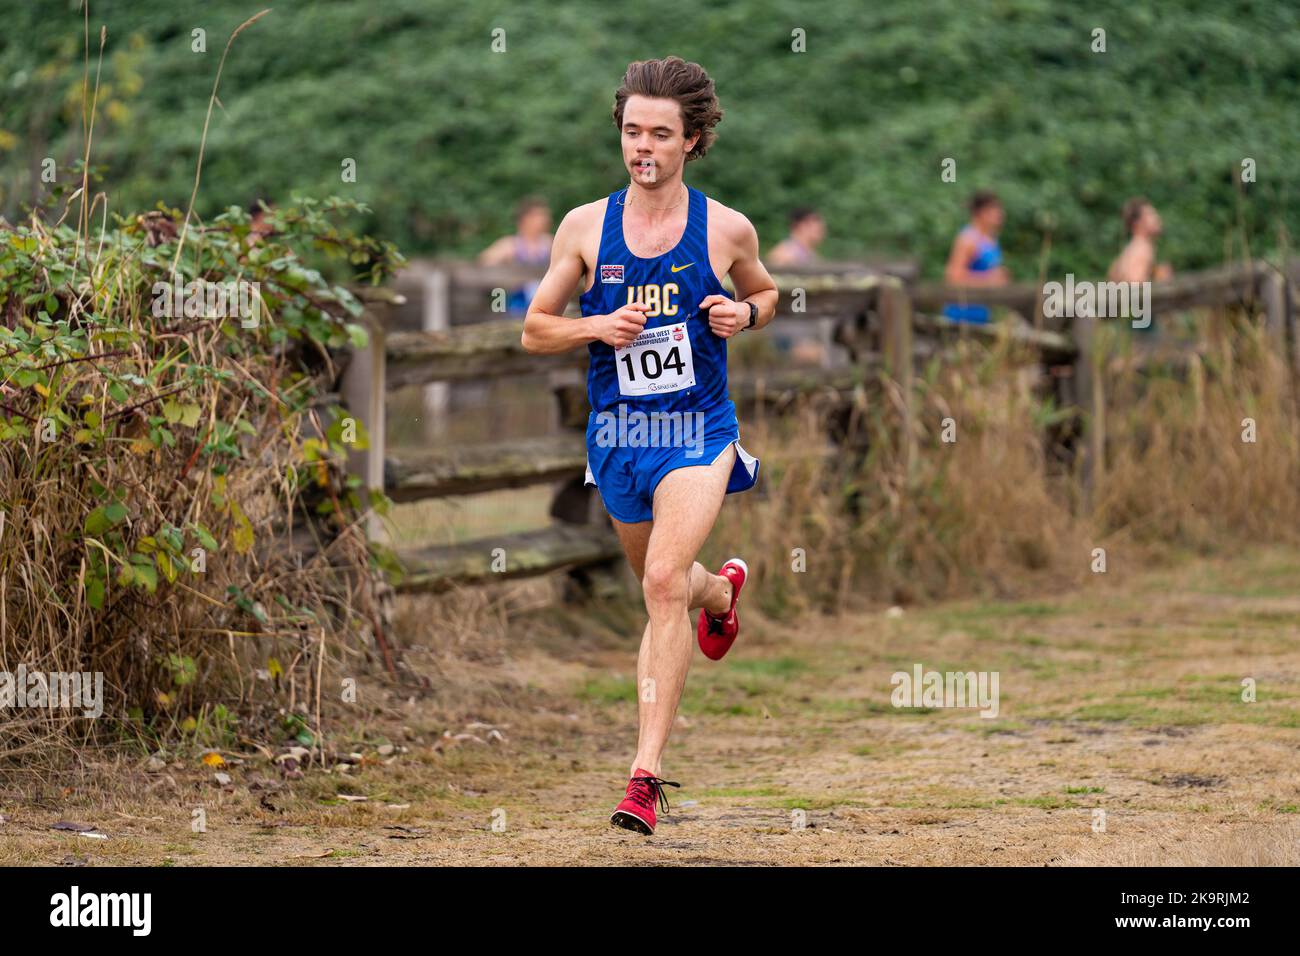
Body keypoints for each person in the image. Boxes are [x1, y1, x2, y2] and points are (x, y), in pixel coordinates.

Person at [521, 56, 778, 835]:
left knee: (662, 580)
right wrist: (595, 325)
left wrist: (747, 317)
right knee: (666, 584)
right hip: (622, 439)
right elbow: (535, 330)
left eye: (661, 135)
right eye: (633, 131)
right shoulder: (583, 227)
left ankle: (644, 777)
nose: (644, 148)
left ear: (692, 140)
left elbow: (767, 292)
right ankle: (722, 594)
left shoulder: (726, 228)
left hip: (698, 433)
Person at [942, 190, 1009, 324]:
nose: (1000, 214)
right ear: (981, 212)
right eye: (994, 209)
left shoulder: (991, 240)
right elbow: (953, 277)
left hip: (982, 314)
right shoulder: (968, 239)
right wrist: (989, 279)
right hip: (961, 317)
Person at [479, 197, 553, 314]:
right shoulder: (510, 245)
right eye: (539, 215)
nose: (545, 219)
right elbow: (482, 264)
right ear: (525, 219)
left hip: (544, 307)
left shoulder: (549, 243)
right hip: (517, 307)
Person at [1108, 197, 1173, 283]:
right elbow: (1134, 287)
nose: (1157, 218)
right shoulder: (1141, 249)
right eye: (1151, 215)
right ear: (1136, 223)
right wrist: (1161, 279)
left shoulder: (1133, 248)